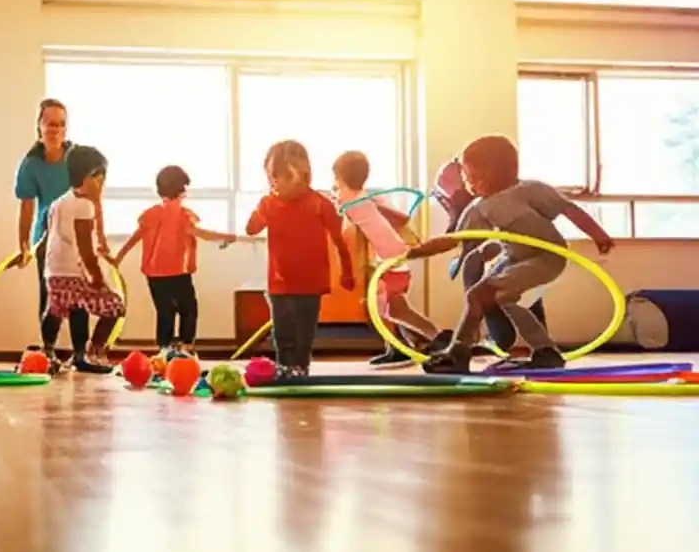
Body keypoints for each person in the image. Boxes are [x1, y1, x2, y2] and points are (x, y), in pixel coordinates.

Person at [409, 134, 614, 374]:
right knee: (497, 298)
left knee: (480, 293)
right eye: (467, 177)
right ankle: (544, 350)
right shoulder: (478, 208)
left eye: (475, 177)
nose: (469, 184)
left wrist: (598, 234)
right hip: (514, 258)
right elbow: (454, 240)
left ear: (498, 173)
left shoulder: (529, 190)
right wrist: (417, 251)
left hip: (545, 257)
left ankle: (458, 352)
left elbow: (568, 209)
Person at [13, 99, 110, 372]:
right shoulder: (31, 165)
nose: (56, 129)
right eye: (50, 124)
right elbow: (27, 207)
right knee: (52, 298)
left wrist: (100, 239)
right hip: (47, 238)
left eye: (61, 124)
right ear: (39, 126)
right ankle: (49, 354)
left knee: (80, 296)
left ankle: (81, 355)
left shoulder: (78, 159)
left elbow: (94, 196)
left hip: (78, 233)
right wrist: (24, 246)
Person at [245, 140, 355, 379]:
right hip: (279, 281)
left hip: (309, 282)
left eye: (286, 177)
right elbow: (251, 230)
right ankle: (284, 366)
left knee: (303, 331)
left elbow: (339, 240)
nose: (280, 184)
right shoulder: (270, 203)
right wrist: (262, 207)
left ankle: (300, 367)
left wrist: (348, 272)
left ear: (303, 176)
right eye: (274, 178)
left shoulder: (319, 204)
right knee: (282, 330)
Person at [332, 151, 450, 367]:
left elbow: (340, 214)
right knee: (396, 310)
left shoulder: (348, 199)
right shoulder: (370, 196)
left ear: (339, 176)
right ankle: (422, 341)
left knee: (376, 308)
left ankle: (421, 342)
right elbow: (402, 218)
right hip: (394, 258)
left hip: (391, 260)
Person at [113, 164, 236, 355]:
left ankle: (164, 348)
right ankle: (186, 346)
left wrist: (118, 258)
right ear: (182, 189)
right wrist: (226, 236)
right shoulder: (182, 214)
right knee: (189, 309)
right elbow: (201, 233)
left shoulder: (151, 213)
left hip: (154, 273)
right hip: (178, 271)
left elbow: (134, 238)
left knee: (165, 311)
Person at [434, 157, 549, 359]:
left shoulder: (500, 198)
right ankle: (490, 339)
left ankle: (512, 341)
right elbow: (460, 229)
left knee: (495, 289)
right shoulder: (472, 196)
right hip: (495, 249)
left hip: (513, 249)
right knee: (483, 288)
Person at [41, 145, 125, 373]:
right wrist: (96, 276)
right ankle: (93, 352)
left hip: (54, 270)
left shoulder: (60, 202)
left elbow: (55, 236)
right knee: (115, 306)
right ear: (88, 177)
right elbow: (85, 247)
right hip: (75, 271)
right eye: (100, 179)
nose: (102, 185)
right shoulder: (83, 205)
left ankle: (48, 352)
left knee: (58, 309)